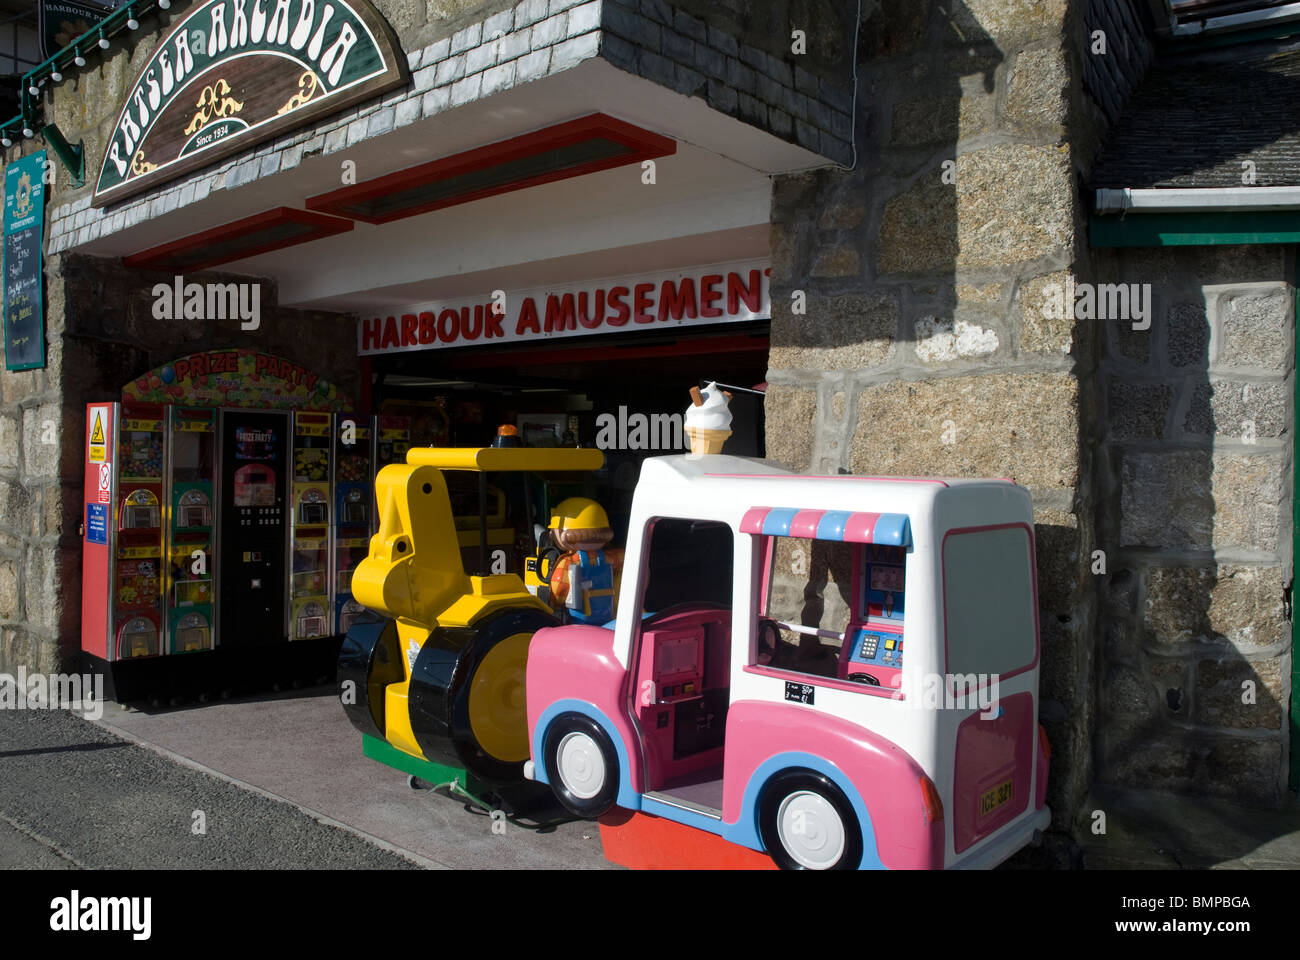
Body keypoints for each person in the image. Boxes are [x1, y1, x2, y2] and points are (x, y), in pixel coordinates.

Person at [545, 497, 622, 625]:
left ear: (564, 534)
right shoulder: (613, 557)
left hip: (579, 621)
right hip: (608, 616)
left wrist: (553, 603)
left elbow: (558, 591)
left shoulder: (568, 562)